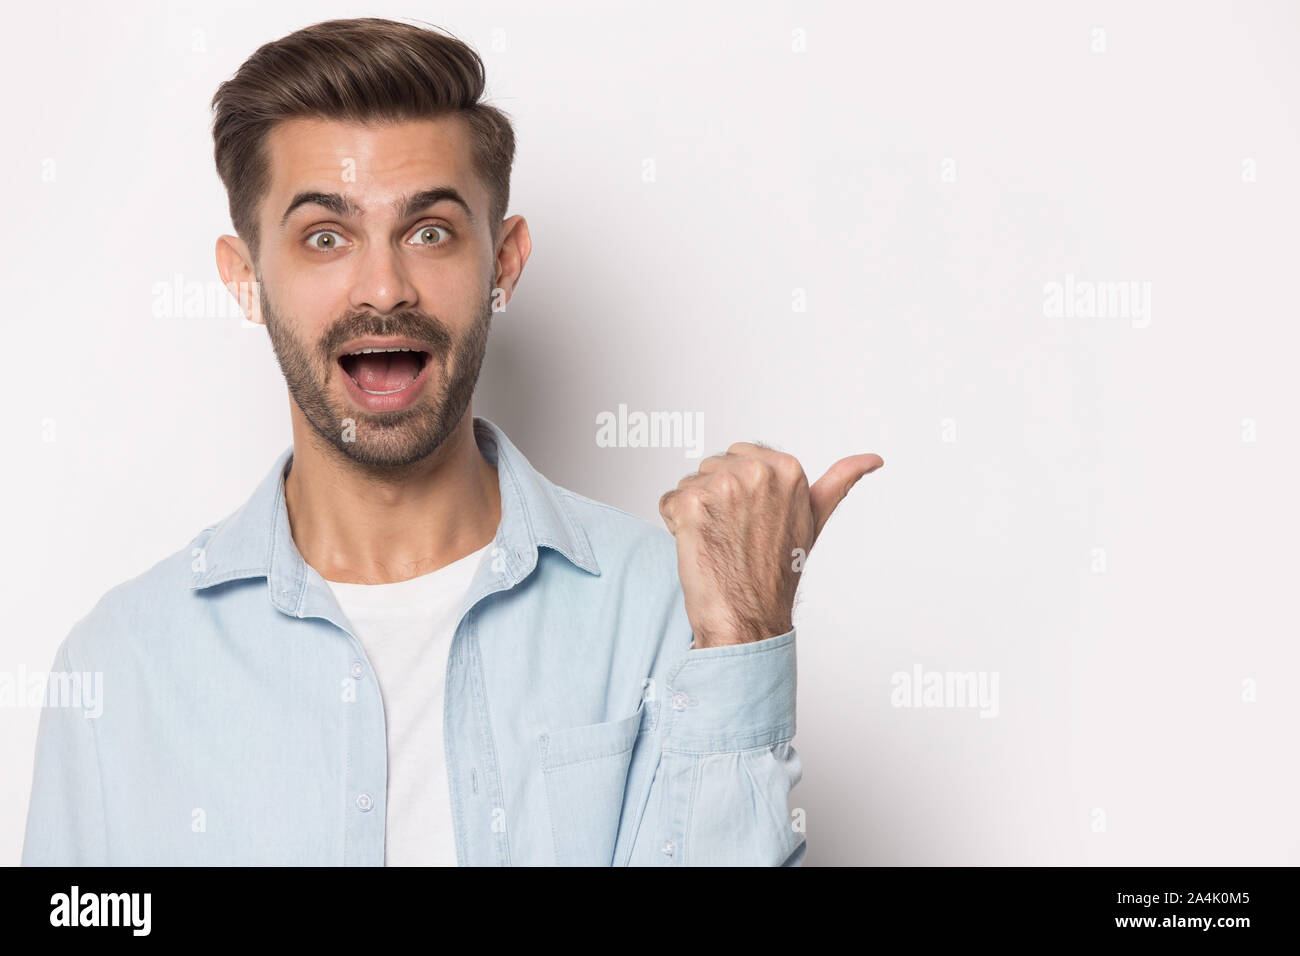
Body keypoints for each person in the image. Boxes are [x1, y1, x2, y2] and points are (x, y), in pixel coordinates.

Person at [21, 17, 881, 866]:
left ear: (502, 264)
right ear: (246, 279)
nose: (385, 287)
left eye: (429, 231)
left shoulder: (677, 615)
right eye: (326, 236)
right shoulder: (119, 670)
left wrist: (742, 638)